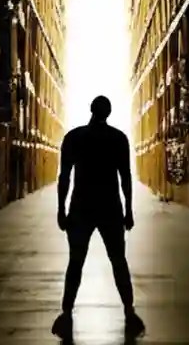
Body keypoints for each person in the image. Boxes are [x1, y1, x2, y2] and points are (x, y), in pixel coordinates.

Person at [51, 95, 145, 339]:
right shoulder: (118, 139)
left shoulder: (74, 138)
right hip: (110, 208)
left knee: (76, 261)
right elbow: (125, 177)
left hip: (81, 207)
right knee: (118, 260)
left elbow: (64, 177)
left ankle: (66, 311)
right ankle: (129, 309)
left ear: (91, 110)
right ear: (109, 113)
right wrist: (129, 211)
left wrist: (61, 209)